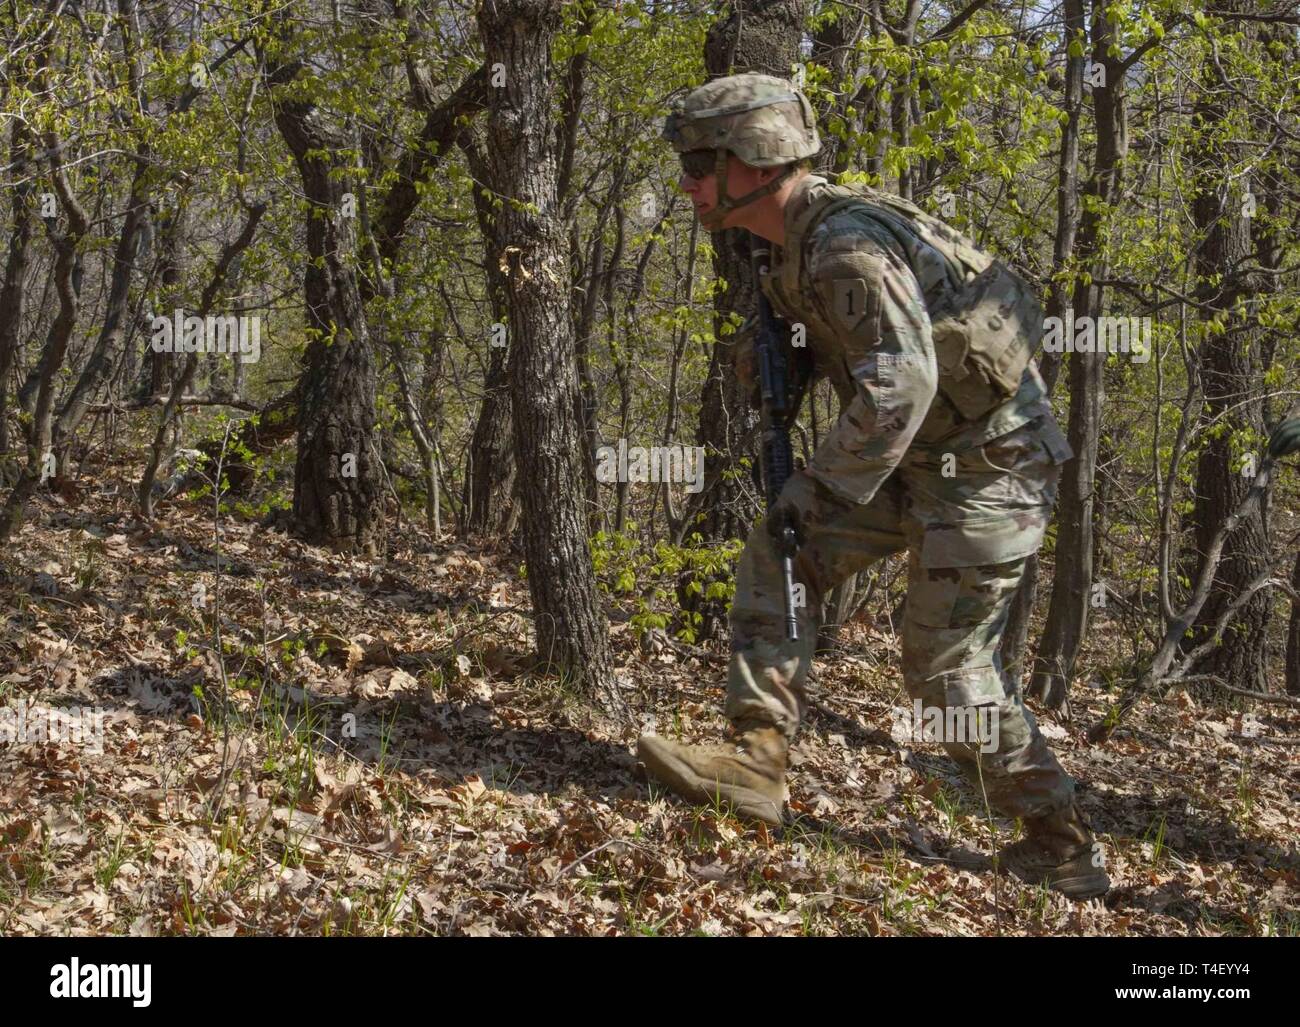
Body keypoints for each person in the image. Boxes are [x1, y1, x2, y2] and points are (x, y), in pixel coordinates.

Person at [637, 72, 1109, 900]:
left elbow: (901, 382)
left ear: (751, 160)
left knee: (943, 671)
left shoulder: (842, 243)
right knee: (781, 555)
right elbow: (851, 356)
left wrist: (818, 484)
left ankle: (1057, 838)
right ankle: (757, 759)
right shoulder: (782, 246)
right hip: (913, 454)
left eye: (699, 161)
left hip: (989, 465)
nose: (687, 180)